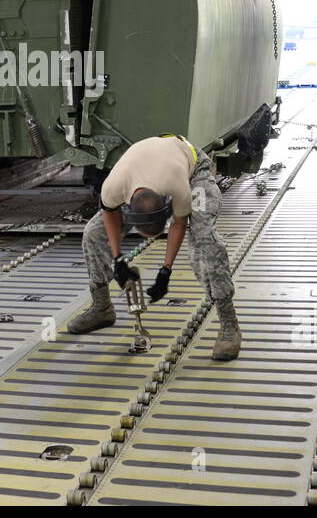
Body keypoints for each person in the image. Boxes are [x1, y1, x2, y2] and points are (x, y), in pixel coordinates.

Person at [66, 135, 241, 360]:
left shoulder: (176, 187)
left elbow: (178, 224)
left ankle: (229, 323)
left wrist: (165, 271)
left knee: (205, 239)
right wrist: (118, 259)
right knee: (93, 233)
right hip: (145, 168)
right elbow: (110, 214)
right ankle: (102, 307)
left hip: (192, 168)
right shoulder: (113, 187)